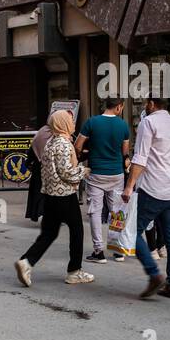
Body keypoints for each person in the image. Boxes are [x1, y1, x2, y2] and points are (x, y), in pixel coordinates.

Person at [122, 98, 170, 300]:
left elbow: (140, 157)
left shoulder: (148, 122)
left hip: (153, 190)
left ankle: (154, 273)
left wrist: (129, 186)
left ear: (151, 104)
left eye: (147, 104)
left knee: (131, 232)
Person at [14, 110, 93, 287]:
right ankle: (74, 271)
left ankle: (26, 262)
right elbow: (66, 172)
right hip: (64, 195)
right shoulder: (64, 144)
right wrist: (83, 171)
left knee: (49, 233)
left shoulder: (50, 142)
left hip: (49, 195)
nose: (73, 123)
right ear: (62, 123)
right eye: (70, 120)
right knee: (77, 230)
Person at [75, 99, 130, 264]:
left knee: (95, 212)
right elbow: (125, 152)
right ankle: (118, 250)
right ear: (119, 107)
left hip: (96, 174)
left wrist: (89, 153)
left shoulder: (91, 122)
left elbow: (77, 146)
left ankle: (98, 251)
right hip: (116, 174)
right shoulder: (123, 125)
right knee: (116, 212)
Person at [24, 119, 52, 222]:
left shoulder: (41, 133)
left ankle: (38, 213)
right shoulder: (57, 135)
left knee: (38, 192)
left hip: (37, 168)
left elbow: (31, 151)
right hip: (50, 170)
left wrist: (28, 164)